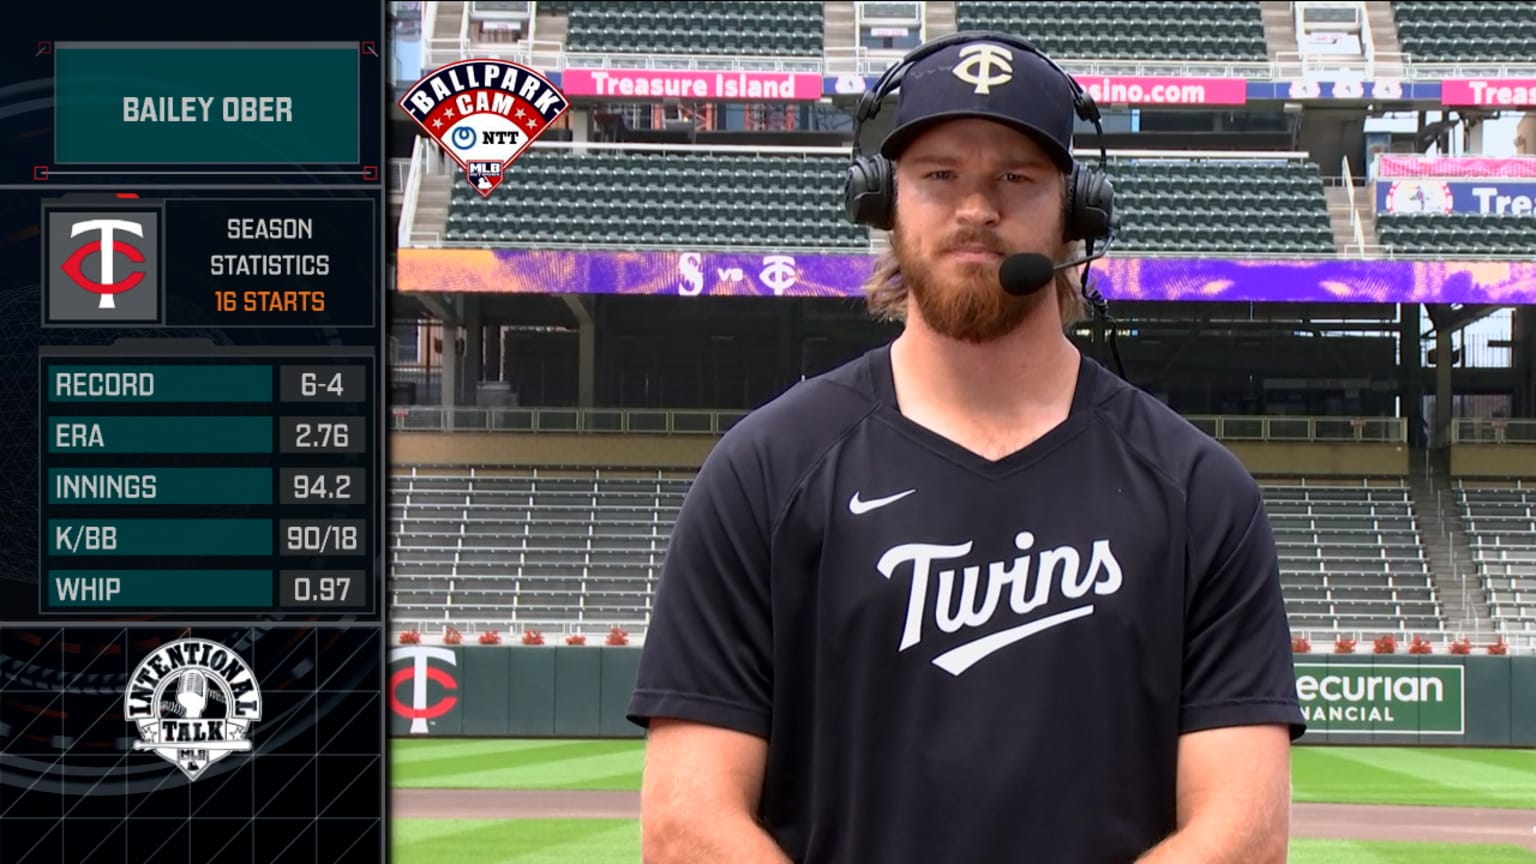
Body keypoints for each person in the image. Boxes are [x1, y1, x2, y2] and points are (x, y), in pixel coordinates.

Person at [627, 33, 1305, 864]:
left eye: (1016, 177)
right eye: (939, 174)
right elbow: (685, 825)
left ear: (1078, 209)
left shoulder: (1201, 494)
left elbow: (1245, 832)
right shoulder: (764, 472)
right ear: (883, 199)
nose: (976, 207)